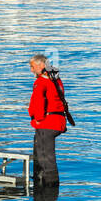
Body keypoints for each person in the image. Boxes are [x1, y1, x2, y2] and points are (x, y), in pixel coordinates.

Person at [27, 54, 68, 188]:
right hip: (58, 121)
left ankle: (49, 189)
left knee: (45, 159)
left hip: (47, 123)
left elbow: (38, 102)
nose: (31, 70)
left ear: (41, 65)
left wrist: (38, 119)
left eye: (32, 66)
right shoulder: (56, 79)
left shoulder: (41, 82)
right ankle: (42, 185)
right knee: (43, 156)